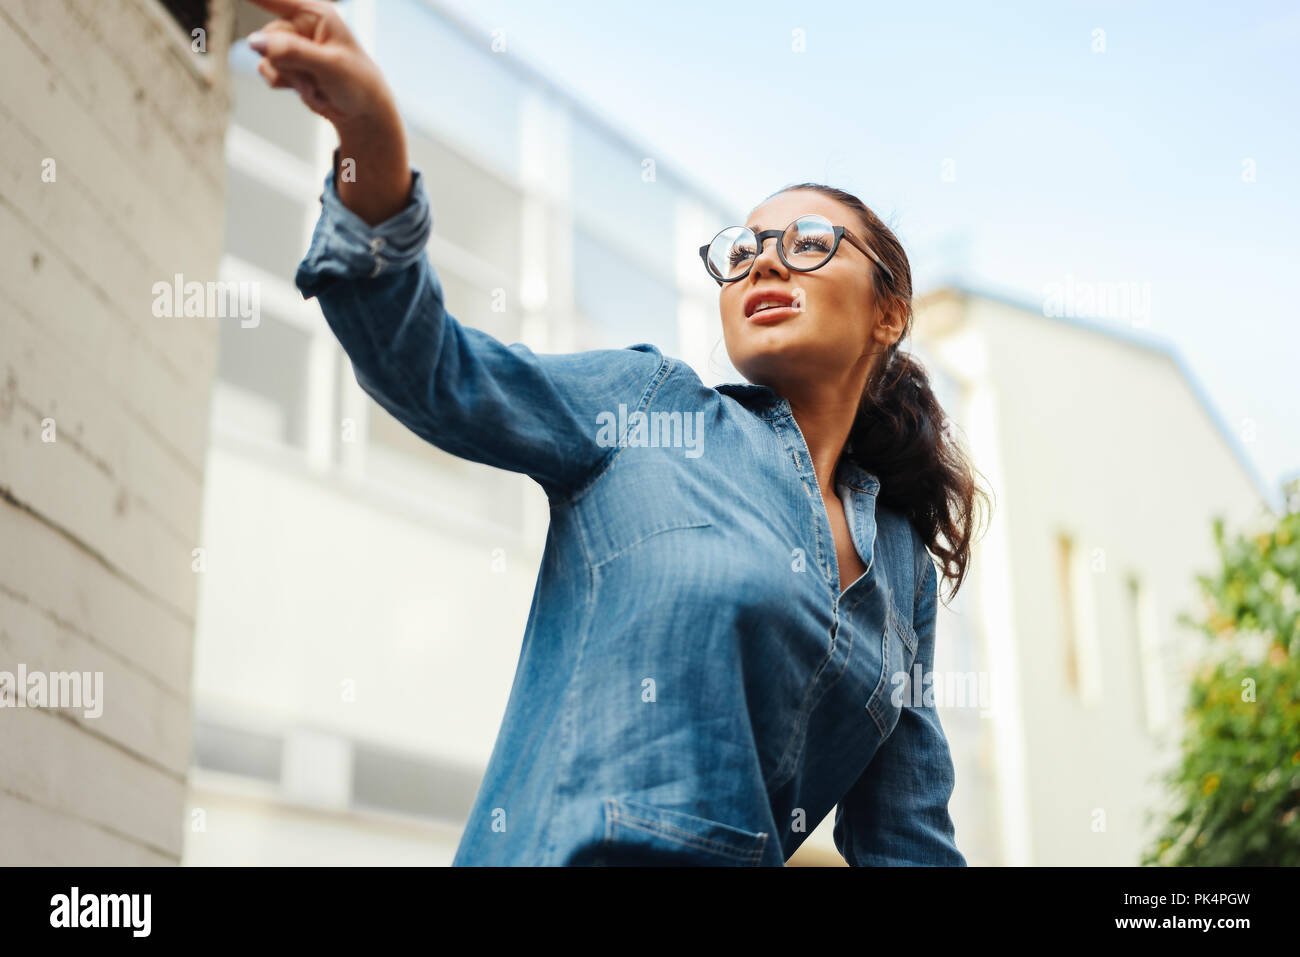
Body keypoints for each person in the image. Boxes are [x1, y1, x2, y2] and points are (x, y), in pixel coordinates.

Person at [246, 0, 988, 866]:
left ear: (889, 311)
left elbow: (909, 840)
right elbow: (432, 370)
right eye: (742, 251)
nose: (768, 261)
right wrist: (371, 143)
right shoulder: (649, 409)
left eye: (811, 242)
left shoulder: (903, 570)